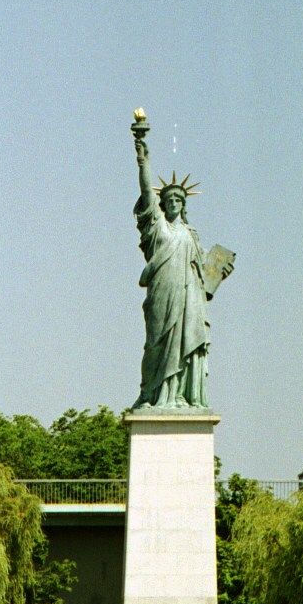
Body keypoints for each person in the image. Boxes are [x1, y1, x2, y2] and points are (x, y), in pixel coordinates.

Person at [131, 114, 233, 409]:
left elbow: (204, 272)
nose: (173, 202)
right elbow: (146, 191)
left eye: (178, 199)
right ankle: (153, 393)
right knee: (156, 345)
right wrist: (143, 161)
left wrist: (219, 269)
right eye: (169, 199)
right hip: (162, 293)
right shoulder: (157, 226)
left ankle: (177, 395)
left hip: (188, 298)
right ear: (162, 204)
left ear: (184, 204)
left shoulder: (191, 235)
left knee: (184, 345)